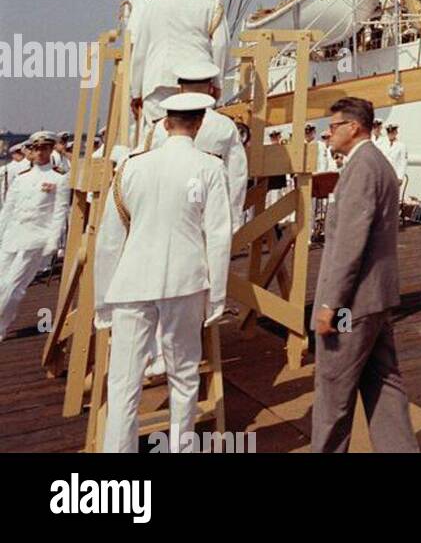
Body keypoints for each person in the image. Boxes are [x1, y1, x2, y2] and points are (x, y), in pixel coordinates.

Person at [94, 92, 231, 452]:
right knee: (183, 378)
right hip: (184, 283)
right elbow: (218, 237)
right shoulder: (210, 167)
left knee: (123, 383)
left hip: (130, 285)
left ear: (166, 124)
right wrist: (216, 296)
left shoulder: (131, 166)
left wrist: (101, 301)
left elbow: (109, 239)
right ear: (199, 125)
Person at [311, 97, 419, 453]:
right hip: (377, 299)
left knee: (333, 388)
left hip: (349, 307)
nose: (328, 135)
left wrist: (330, 305)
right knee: (383, 383)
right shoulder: (379, 164)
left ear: (353, 127)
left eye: (333, 127)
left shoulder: (360, 169)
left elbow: (348, 245)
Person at [145, 63, 248, 228]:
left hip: (166, 215)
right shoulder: (226, 126)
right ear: (210, 89)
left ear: (180, 88)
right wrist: (232, 221)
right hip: (209, 215)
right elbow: (237, 176)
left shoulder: (160, 127)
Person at [129, 0, 230, 122]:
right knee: (196, 138)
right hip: (198, 81)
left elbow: (140, 50)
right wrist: (217, 83)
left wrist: (136, 92)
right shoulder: (212, 4)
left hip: (158, 81)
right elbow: (221, 45)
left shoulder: (153, 4)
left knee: (158, 139)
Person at [0, 132, 70, 340]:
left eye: (45, 148)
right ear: (30, 151)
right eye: (36, 148)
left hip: (35, 238)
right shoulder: (22, 179)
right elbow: (8, 211)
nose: (40, 152)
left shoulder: (59, 178)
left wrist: (53, 241)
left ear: (51, 150)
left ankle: (1, 326)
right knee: (1, 282)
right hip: (12, 237)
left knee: (13, 286)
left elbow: (60, 213)